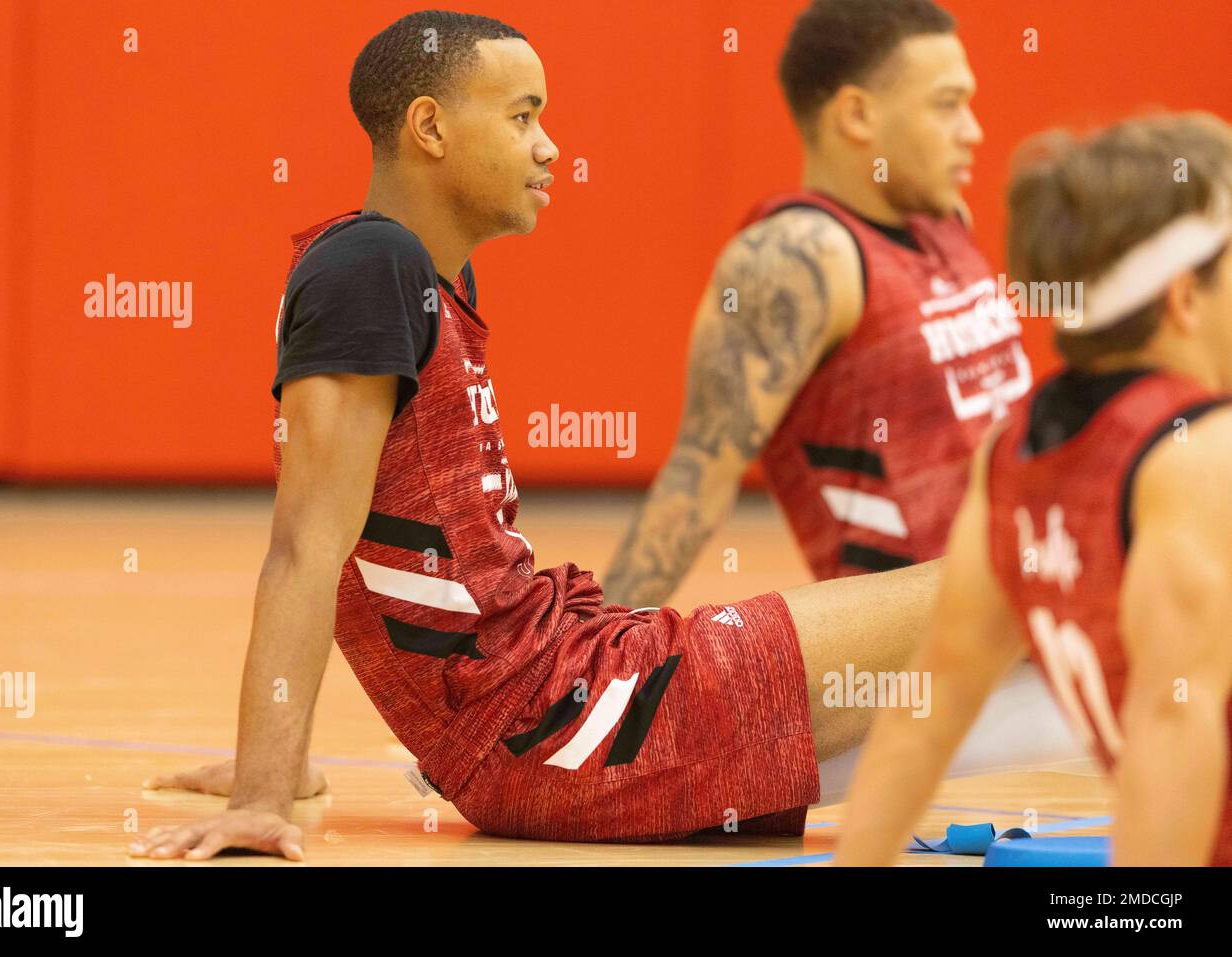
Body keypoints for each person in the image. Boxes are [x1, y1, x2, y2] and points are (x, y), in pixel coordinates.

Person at [127, 9, 957, 859]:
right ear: (431, 127)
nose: (550, 146)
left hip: (561, 691)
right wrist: (263, 788)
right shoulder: (367, 267)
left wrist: (289, 759)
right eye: (522, 116)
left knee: (991, 598)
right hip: (548, 722)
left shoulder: (421, 275)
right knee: (996, 572)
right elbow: (309, 542)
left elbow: (382, 554)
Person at [834, 112, 1232, 866]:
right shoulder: (1199, 457)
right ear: (1185, 297)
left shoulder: (1013, 453)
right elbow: (1173, 733)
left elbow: (928, 710)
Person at [603, 0, 1031, 605]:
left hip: (1033, 612)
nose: (973, 129)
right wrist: (589, 668)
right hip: (923, 661)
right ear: (857, 115)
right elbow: (698, 478)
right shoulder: (795, 257)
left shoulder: (944, 220)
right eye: (947, 104)